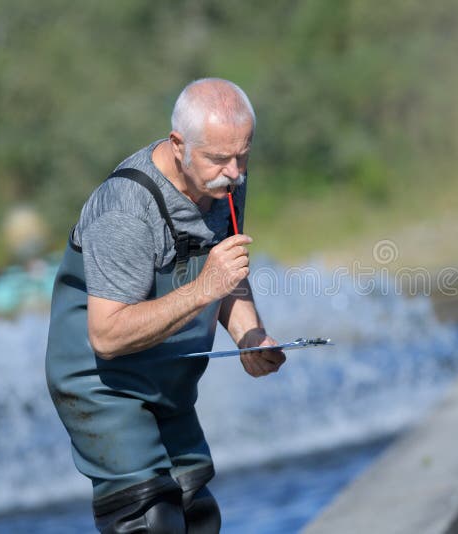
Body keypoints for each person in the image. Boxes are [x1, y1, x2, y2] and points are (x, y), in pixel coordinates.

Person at [45, 78, 286, 533]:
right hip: (104, 385)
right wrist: (203, 288)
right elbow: (108, 335)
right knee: (151, 519)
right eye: (219, 158)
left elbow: (227, 274)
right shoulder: (125, 210)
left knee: (198, 515)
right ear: (179, 144)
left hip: (168, 373)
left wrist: (249, 336)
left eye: (243, 155)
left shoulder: (226, 184)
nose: (234, 172)